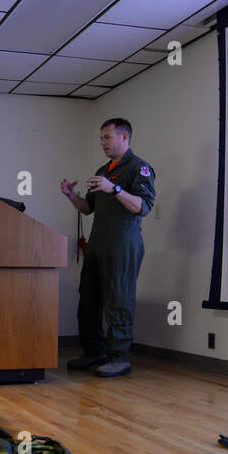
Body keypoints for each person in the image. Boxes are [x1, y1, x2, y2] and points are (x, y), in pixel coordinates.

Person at [61, 117, 156, 377]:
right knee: (89, 301)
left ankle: (120, 358)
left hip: (122, 245)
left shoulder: (139, 168)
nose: (102, 142)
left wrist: (114, 189)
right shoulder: (103, 170)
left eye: (107, 137)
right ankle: (94, 352)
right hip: (98, 245)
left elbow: (142, 206)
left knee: (119, 301)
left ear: (125, 137)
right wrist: (71, 195)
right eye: (101, 138)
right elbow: (88, 208)